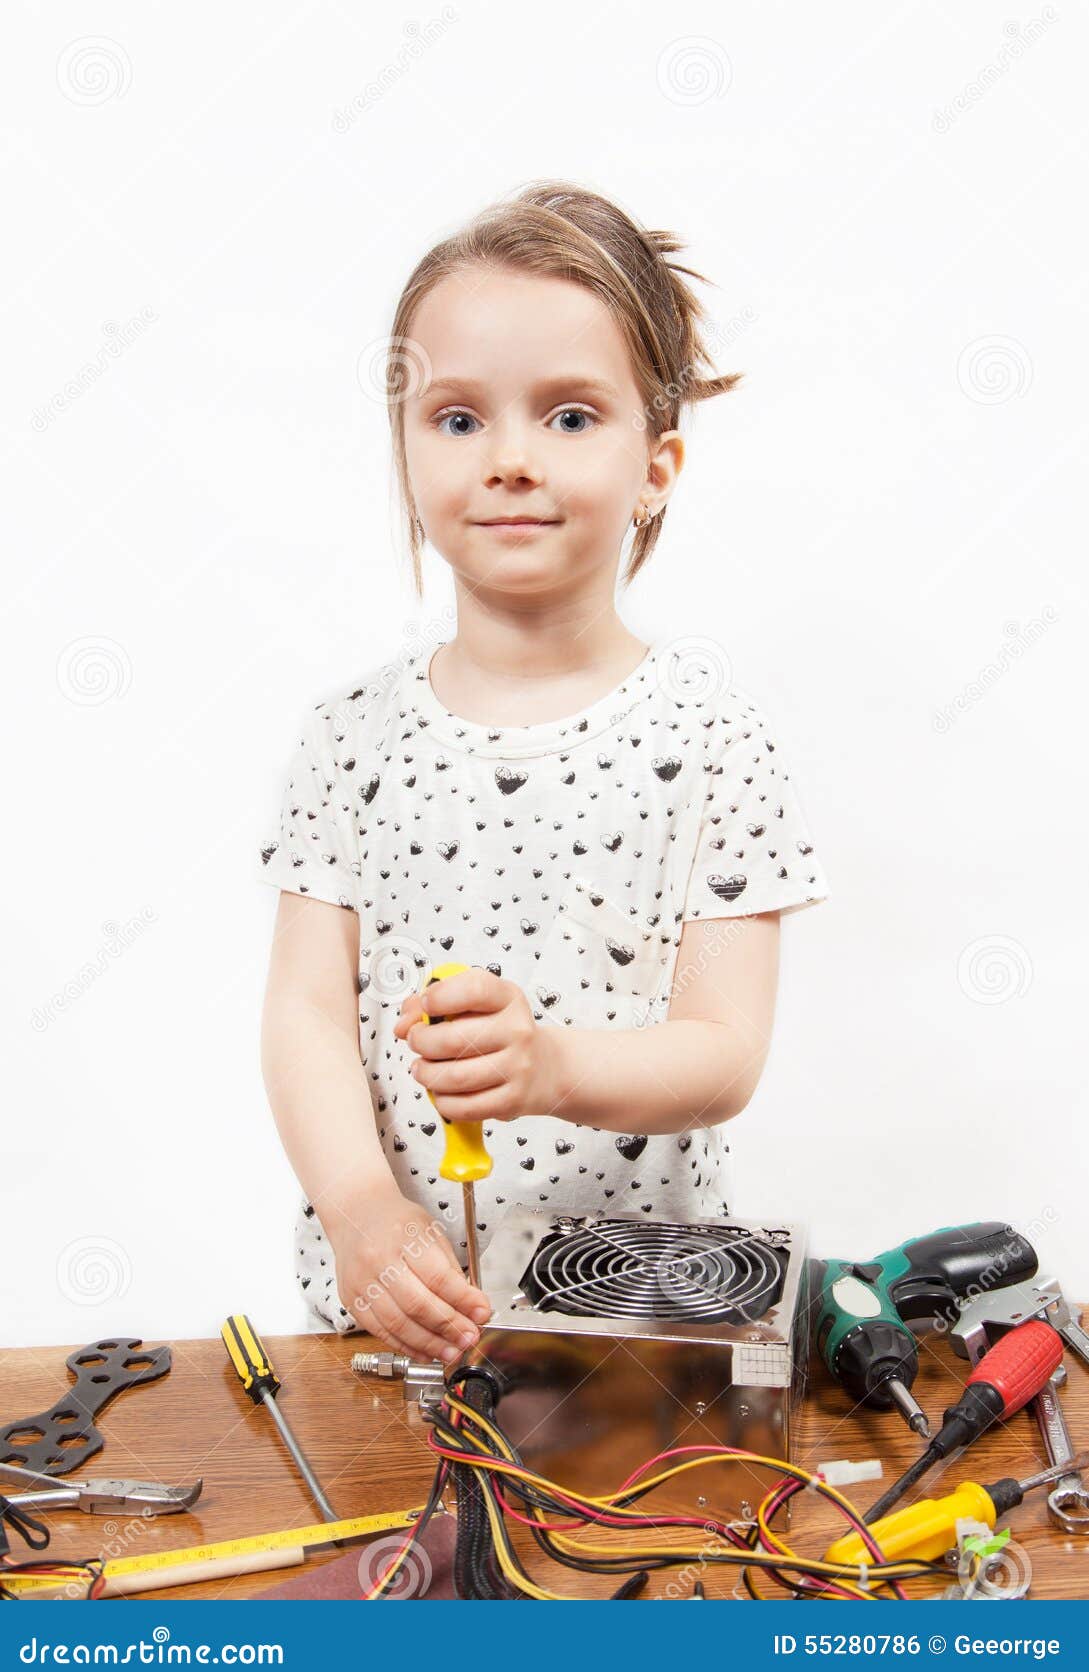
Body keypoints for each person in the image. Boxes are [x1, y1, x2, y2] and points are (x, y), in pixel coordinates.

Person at [256, 180, 830, 1362]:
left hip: (637, 1327)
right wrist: (363, 1211)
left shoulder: (718, 737)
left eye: (570, 416)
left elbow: (724, 1050)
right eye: (458, 419)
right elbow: (306, 1010)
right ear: (407, 452)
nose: (510, 459)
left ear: (659, 463)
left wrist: (551, 1063)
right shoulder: (345, 737)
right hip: (396, 1317)